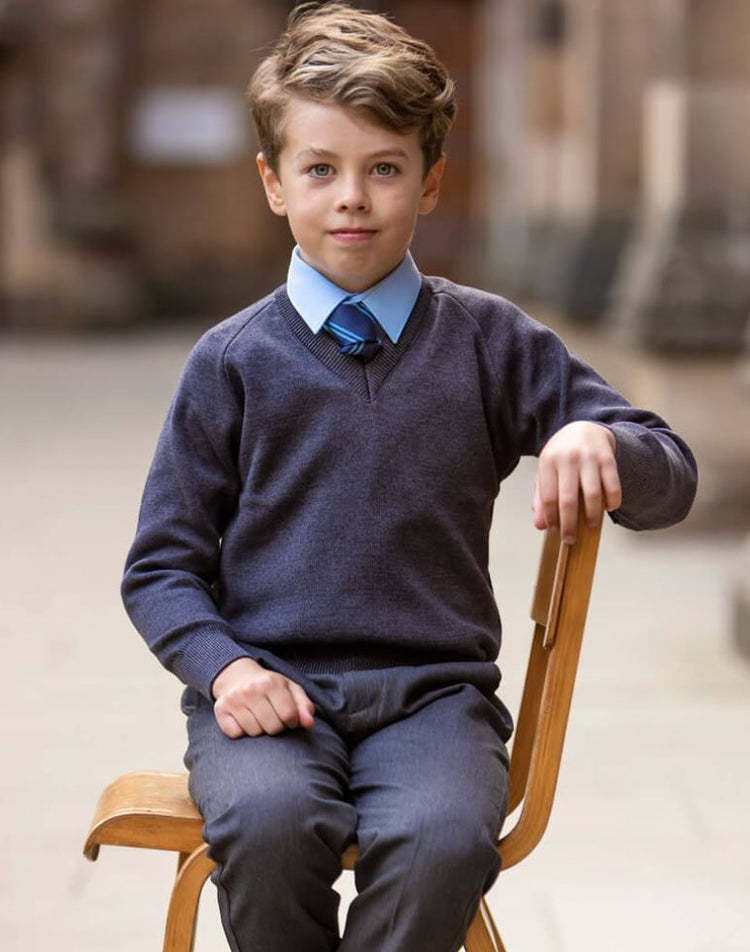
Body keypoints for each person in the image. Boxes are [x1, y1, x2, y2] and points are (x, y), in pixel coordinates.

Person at [121, 4, 697, 951]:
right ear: (274, 183)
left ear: (431, 183)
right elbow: (159, 568)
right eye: (321, 169)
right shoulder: (230, 362)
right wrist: (223, 670)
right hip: (272, 697)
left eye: (383, 168)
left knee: (439, 840)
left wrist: (603, 441)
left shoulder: (489, 341)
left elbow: (670, 472)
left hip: (434, 701)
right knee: (266, 829)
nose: (352, 196)